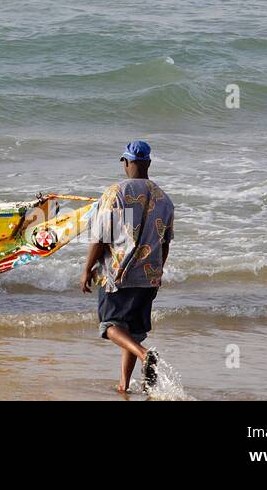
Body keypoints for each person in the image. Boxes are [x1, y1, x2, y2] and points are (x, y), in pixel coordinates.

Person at [81, 140, 175, 394]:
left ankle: (145, 355)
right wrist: (157, 274)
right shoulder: (164, 199)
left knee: (110, 326)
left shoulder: (117, 193)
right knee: (132, 332)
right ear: (148, 163)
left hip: (119, 273)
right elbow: (165, 243)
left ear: (126, 162)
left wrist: (87, 269)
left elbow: (102, 237)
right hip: (149, 275)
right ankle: (124, 383)